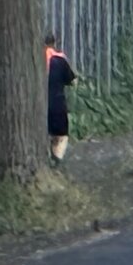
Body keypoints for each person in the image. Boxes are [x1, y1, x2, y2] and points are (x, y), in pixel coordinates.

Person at [46, 33, 80, 167]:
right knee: (61, 135)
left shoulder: (35, 60)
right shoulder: (60, 60)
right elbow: (72, 81)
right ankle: (56, 160)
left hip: (39, 105)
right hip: (57, 102)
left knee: (48, 132)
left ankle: (48, 155)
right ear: (55, 43)